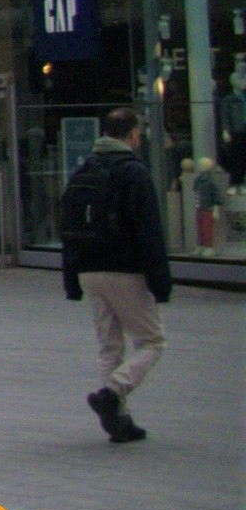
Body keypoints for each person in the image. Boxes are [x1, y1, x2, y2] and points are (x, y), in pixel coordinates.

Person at [62, 106, 172, 443]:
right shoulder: (133, 172)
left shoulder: (84, 170)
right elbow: (148, 230)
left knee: (109, 347)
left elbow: (68, 228)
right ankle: (112, 394)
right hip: (125, 270)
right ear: (133, 134)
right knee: (152, 341)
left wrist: (71, 279)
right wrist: (160, 280)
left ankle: (118, 421)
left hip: (89, 271)